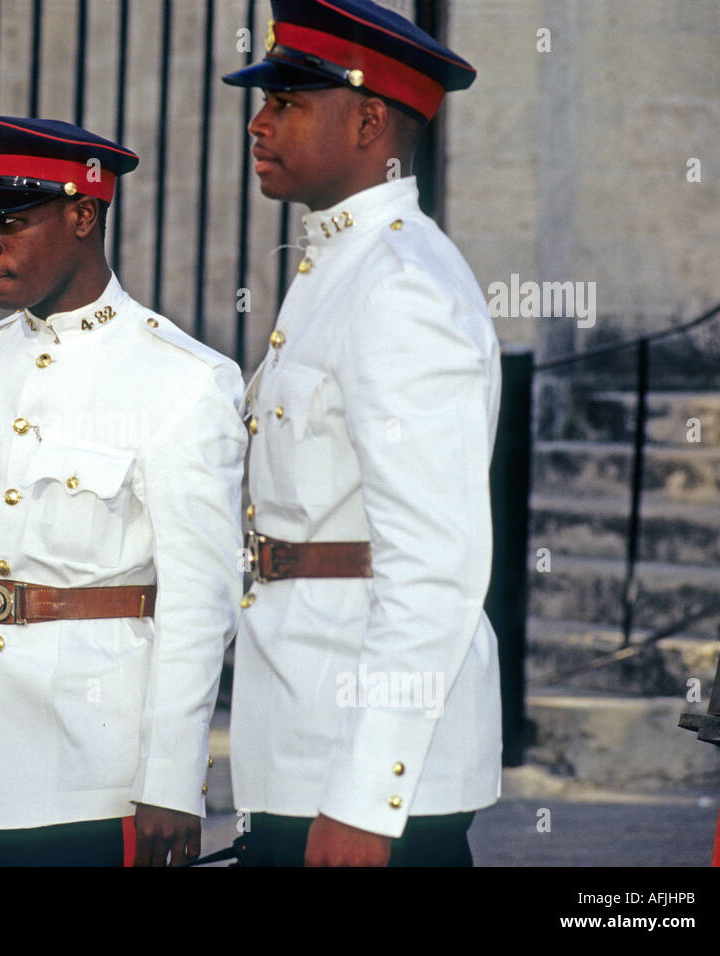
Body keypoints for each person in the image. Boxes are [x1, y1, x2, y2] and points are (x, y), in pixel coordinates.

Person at [0, 115, 246, 866]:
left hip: (94, 776)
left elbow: (198, 603)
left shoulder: (182, 379)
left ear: (84, 215)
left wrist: (172, 780)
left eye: (10, 222)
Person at [222, 0, 502, 866]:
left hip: (367, 777)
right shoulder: (336, 266)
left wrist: (366, 795)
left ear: (369, 122)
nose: (259, 124)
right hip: (301, 738)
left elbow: (433, 562)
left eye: (287, 104)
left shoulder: (398, 286)